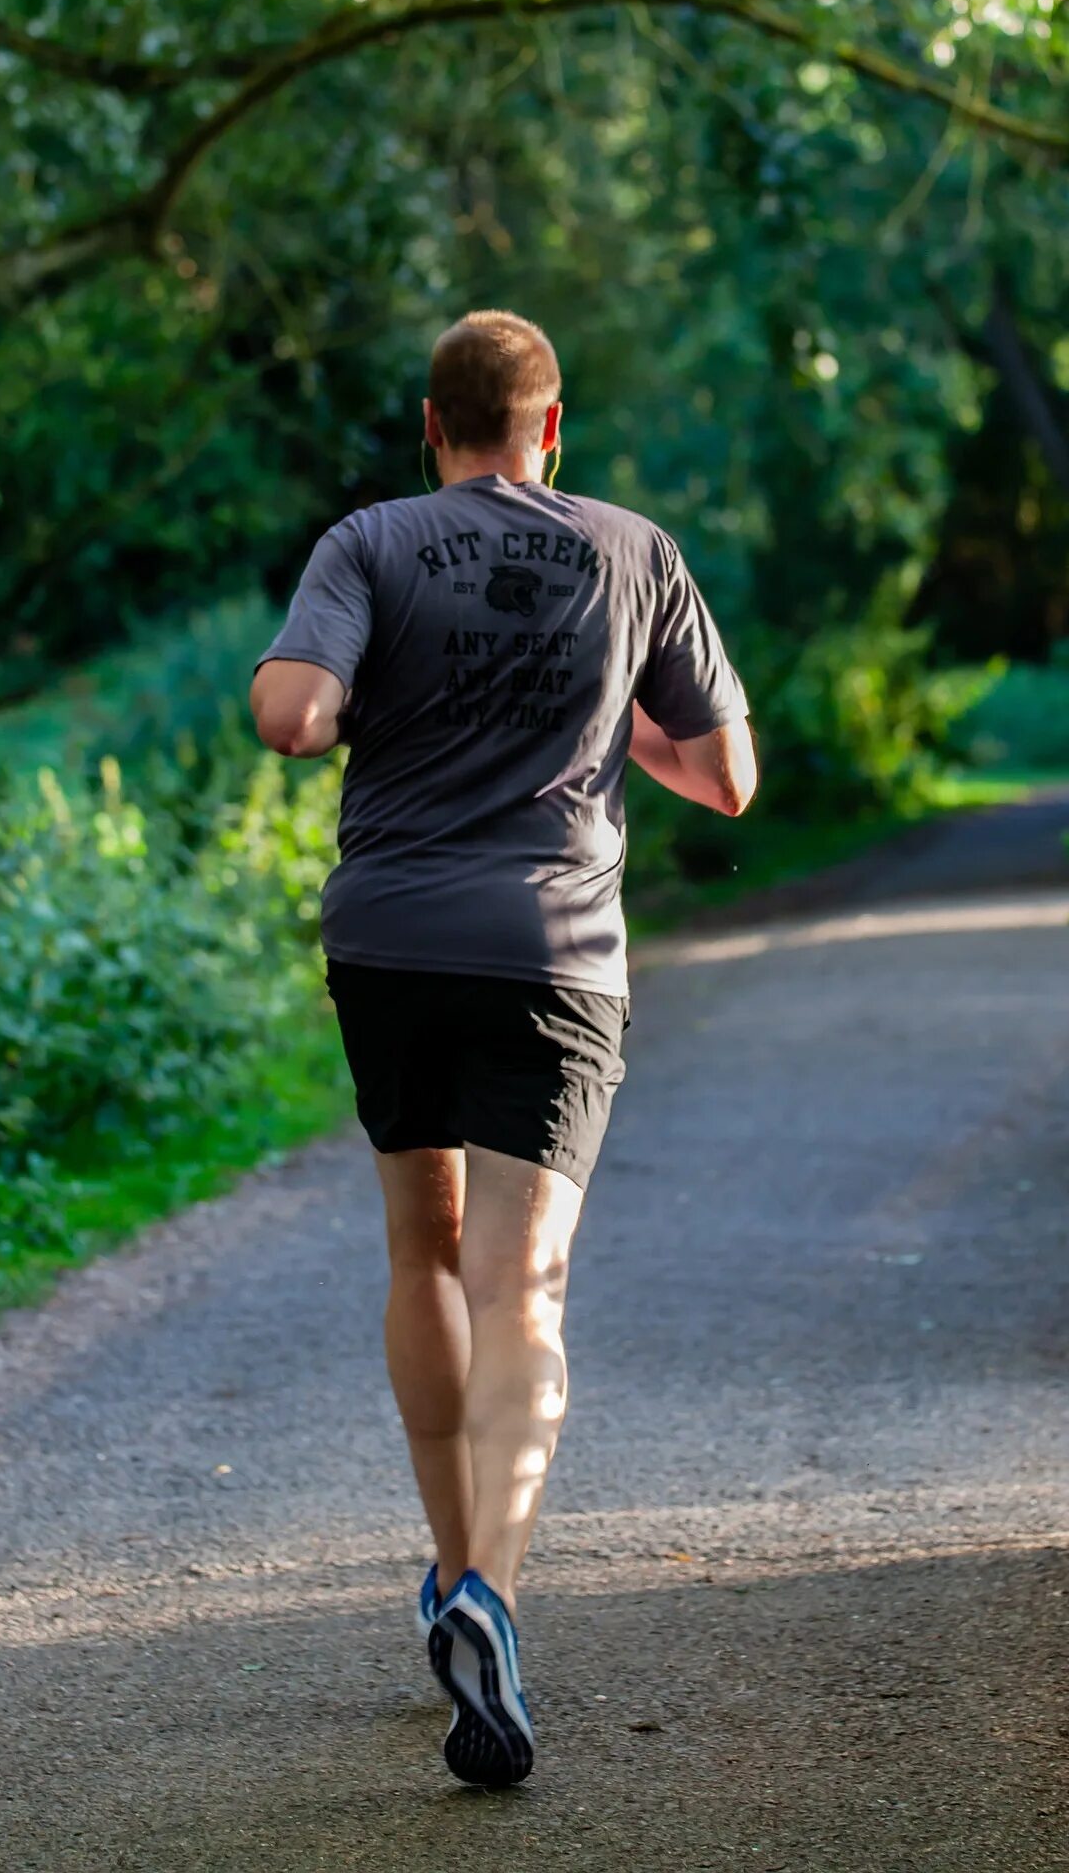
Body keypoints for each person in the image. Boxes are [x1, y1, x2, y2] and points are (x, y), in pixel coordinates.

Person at [250, 309, 756, 1788]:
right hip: (552, 955)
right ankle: (493, 1593)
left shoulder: (368, 543)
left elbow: (292, 711)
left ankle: (447, 1562)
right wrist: (627, 748)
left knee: (426, 1251)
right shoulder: (635, 549)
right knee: (520, 1278)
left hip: (392, 941)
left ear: (430, 424)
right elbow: (725, 776)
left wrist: (327, 703)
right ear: (553, 425)